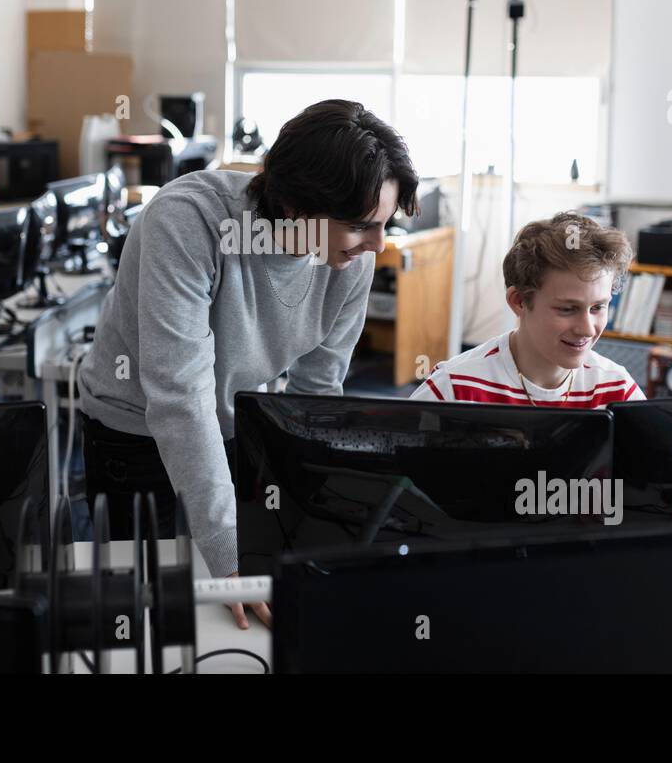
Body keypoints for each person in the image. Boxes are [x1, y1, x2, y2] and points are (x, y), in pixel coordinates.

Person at [78, 99, 420, 627]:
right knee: (151, 613)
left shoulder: (351, 259)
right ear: (297, 206)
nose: (378, 244)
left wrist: (312, 515)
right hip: (137, 430)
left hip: (236, 423)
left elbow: (316, 394)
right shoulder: (187, 220)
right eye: (360, 226)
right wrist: (231, 554)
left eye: (384, 224)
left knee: (239, 613)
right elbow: (180, 397)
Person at [412, 211, 645, 407]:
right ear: (519, 301)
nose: (587, 329)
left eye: (598, 307)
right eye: (567, 309)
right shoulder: (455, 388)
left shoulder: (618, 389)